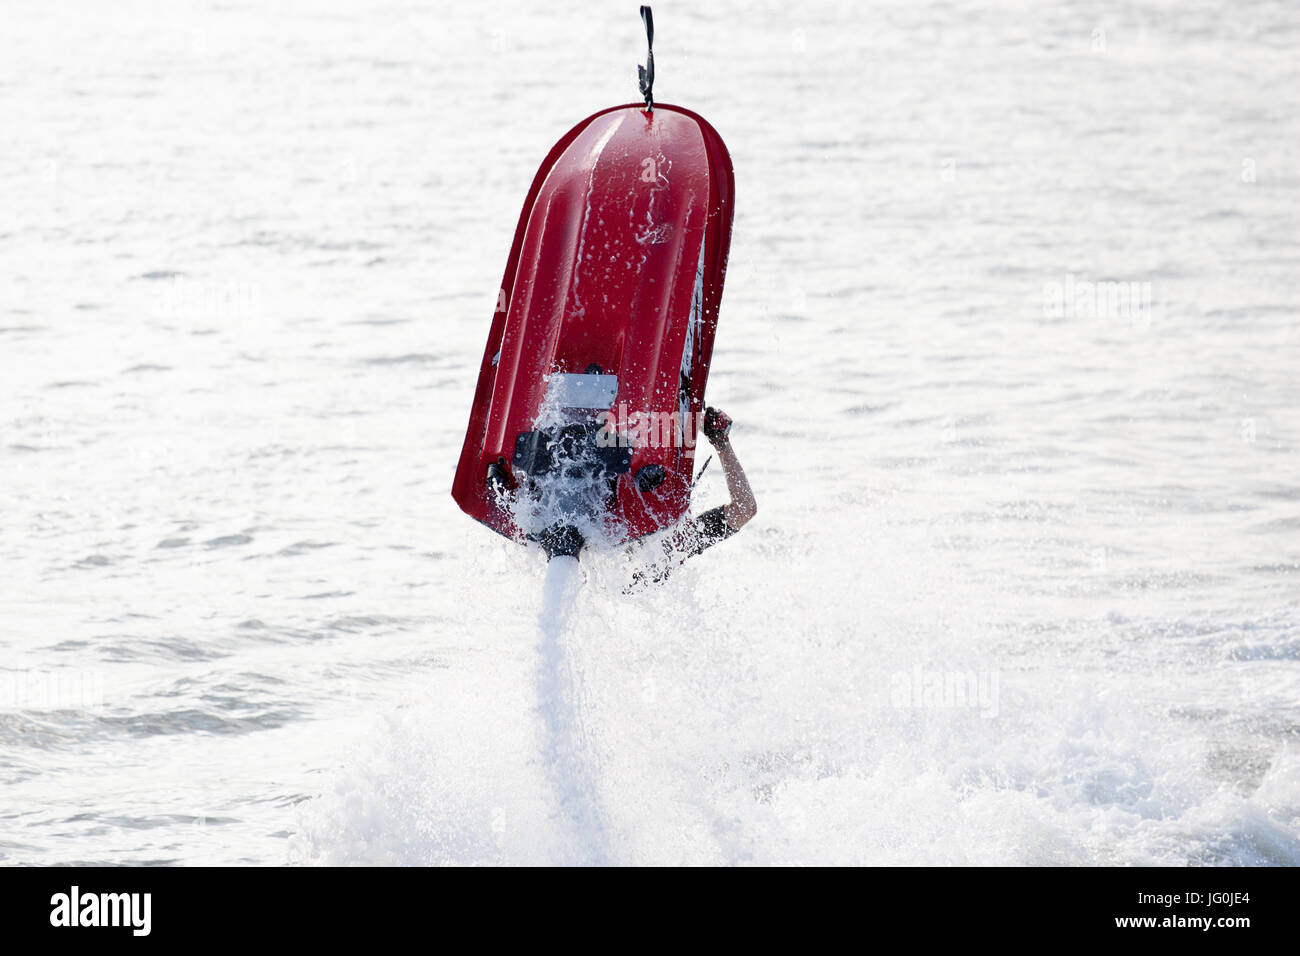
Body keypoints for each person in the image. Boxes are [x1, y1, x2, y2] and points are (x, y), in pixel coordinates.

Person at [629, 406, 756, 586]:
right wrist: (722, 444)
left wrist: (721, 443)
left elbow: (744, 509)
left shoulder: (676, 545)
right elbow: (744, 509)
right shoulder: (676, 545)